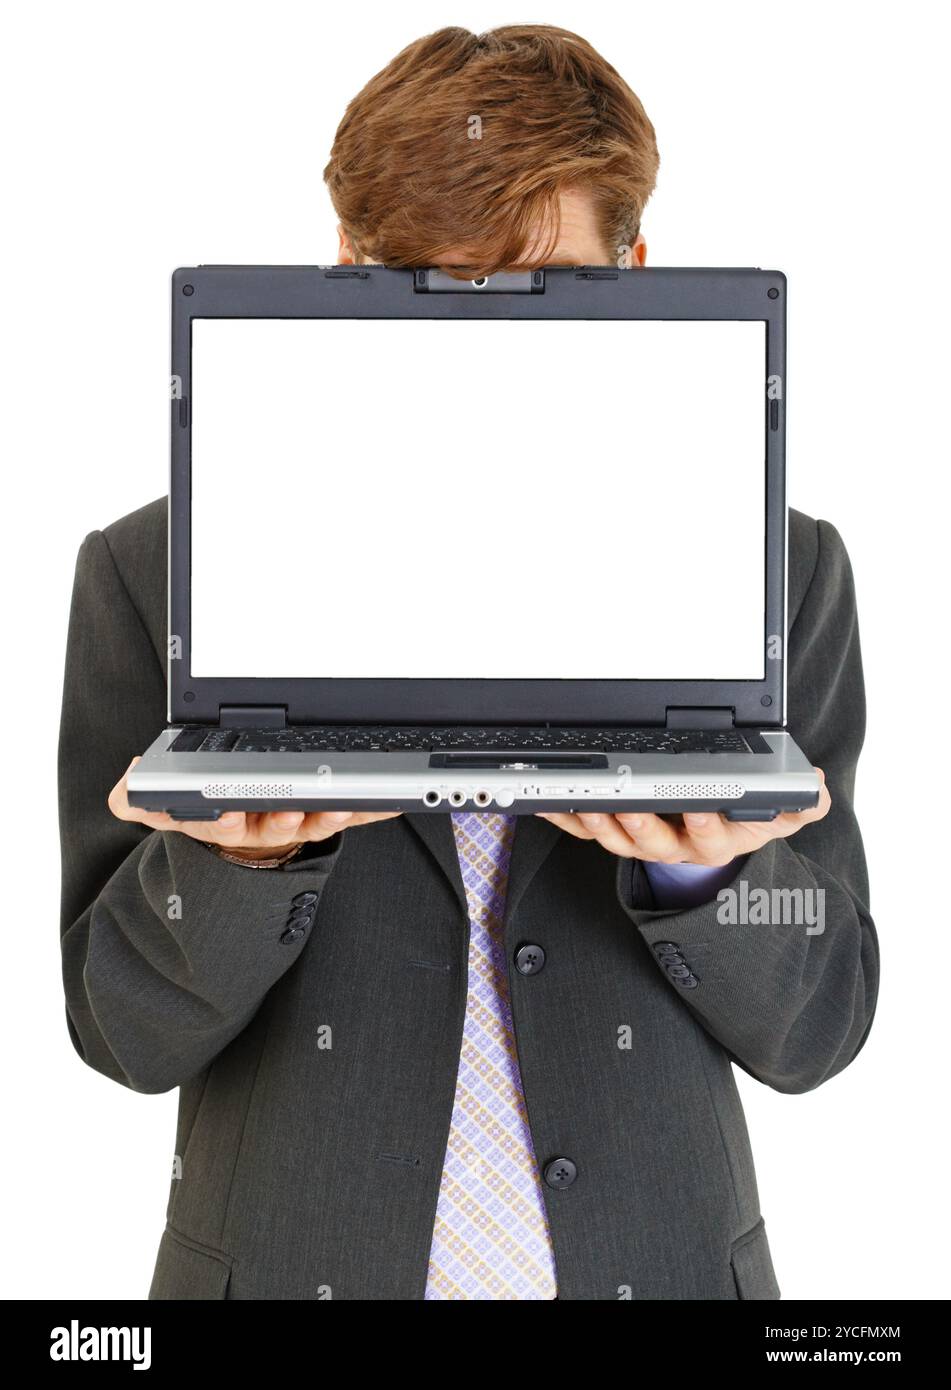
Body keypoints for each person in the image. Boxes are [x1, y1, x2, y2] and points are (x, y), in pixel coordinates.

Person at [58, 24, 878, 1301]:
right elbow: (121, 1033)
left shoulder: (783, 574)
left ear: (640, 268)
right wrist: (236, 866)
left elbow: (820, 1024)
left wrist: (708, 880)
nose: (493, 355)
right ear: (346, 270)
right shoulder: (150, 573)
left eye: (545, 295)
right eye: (434, 294)